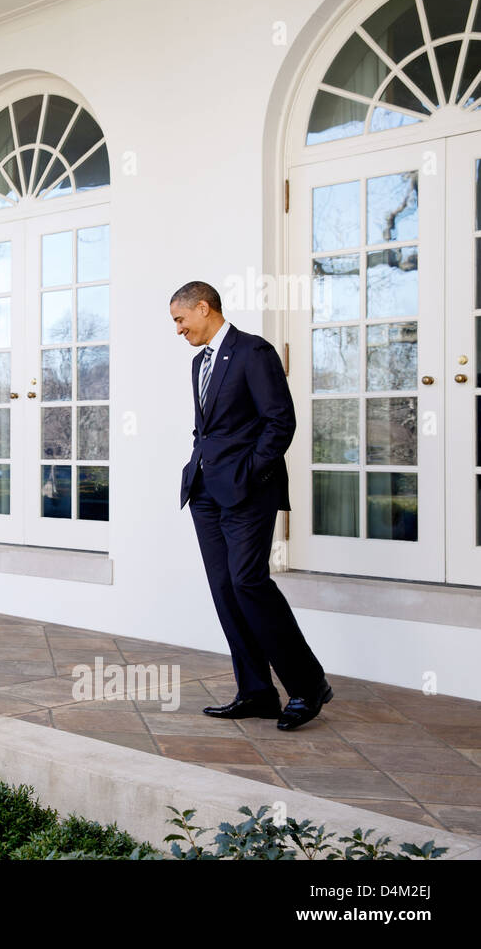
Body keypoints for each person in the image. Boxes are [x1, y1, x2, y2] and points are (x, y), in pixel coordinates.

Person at [170, 281, 332, 731]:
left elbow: (281, 421)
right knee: (225, 590)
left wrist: (250, 473)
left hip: (246, 492)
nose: (179, 330)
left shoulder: (253, 352)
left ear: (203, 308)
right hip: (204, 492)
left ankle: (307, 684)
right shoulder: (198, 363)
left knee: (249, 583)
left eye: (181, 320)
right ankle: (257, 692)